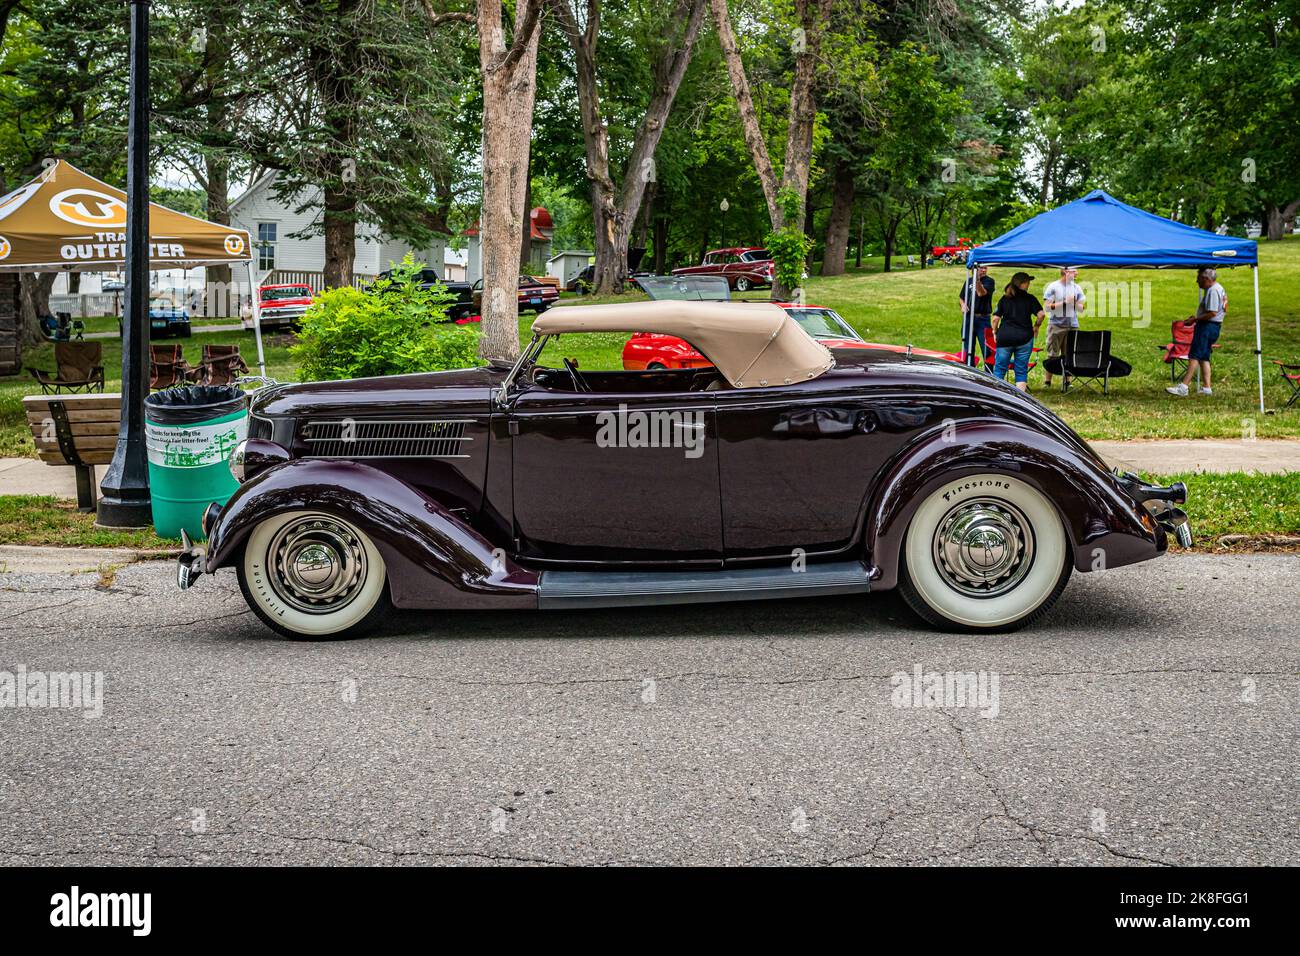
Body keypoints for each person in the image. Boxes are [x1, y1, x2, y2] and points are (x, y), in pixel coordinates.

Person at [1167, 267, 1227, 397]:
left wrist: (1195, 319)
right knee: (1204, 356)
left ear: (1206, 278)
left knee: (1194, 355)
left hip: (1207, 327)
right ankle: (1207, 388)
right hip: (1213, 327)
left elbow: (1212, 313)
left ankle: (1183, 387)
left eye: (1198, 278)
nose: (1196, 281)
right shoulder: (1218, 288)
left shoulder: (1213, 290)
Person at [991, 272, 1046, 391]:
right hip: (1024, 338)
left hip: (1005, 337)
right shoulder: (1030, 298)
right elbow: (1041, 314)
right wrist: (1036, 326)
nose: (1029, 284)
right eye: (1028, 282)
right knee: (1021, 371)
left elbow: (995, 319)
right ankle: (1019, 401)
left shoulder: (1005, 298)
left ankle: (997, 397)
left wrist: (995, 332)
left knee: (1000, 369)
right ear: (1023, 284)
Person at [1042, 266, 1086, 388]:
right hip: (1056, 325)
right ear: (1066, 272)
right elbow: (1047, 307)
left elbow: (1082, 309)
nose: (1077, 273)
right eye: (1074, 270)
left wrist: (1076, 303)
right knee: (1052, 354)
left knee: (1069, 354)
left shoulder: (1077, 288)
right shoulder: (1053, 287)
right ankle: (1047, 382)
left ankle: (1067, 381)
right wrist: (1065, 302)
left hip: (1072, 326)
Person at [959, 266, 996, 365]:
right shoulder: (969, 281)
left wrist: (977, 280)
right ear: (975, 269)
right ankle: (970, 373)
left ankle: (989, 374)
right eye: (981, 268)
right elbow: (961, 297)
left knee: (987, 349)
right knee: (968, 348)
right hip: (968, 318)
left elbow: (981, 293)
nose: (984, 270)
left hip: (983, 319)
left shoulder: (989, 281)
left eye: (985, 268)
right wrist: (963, 305)